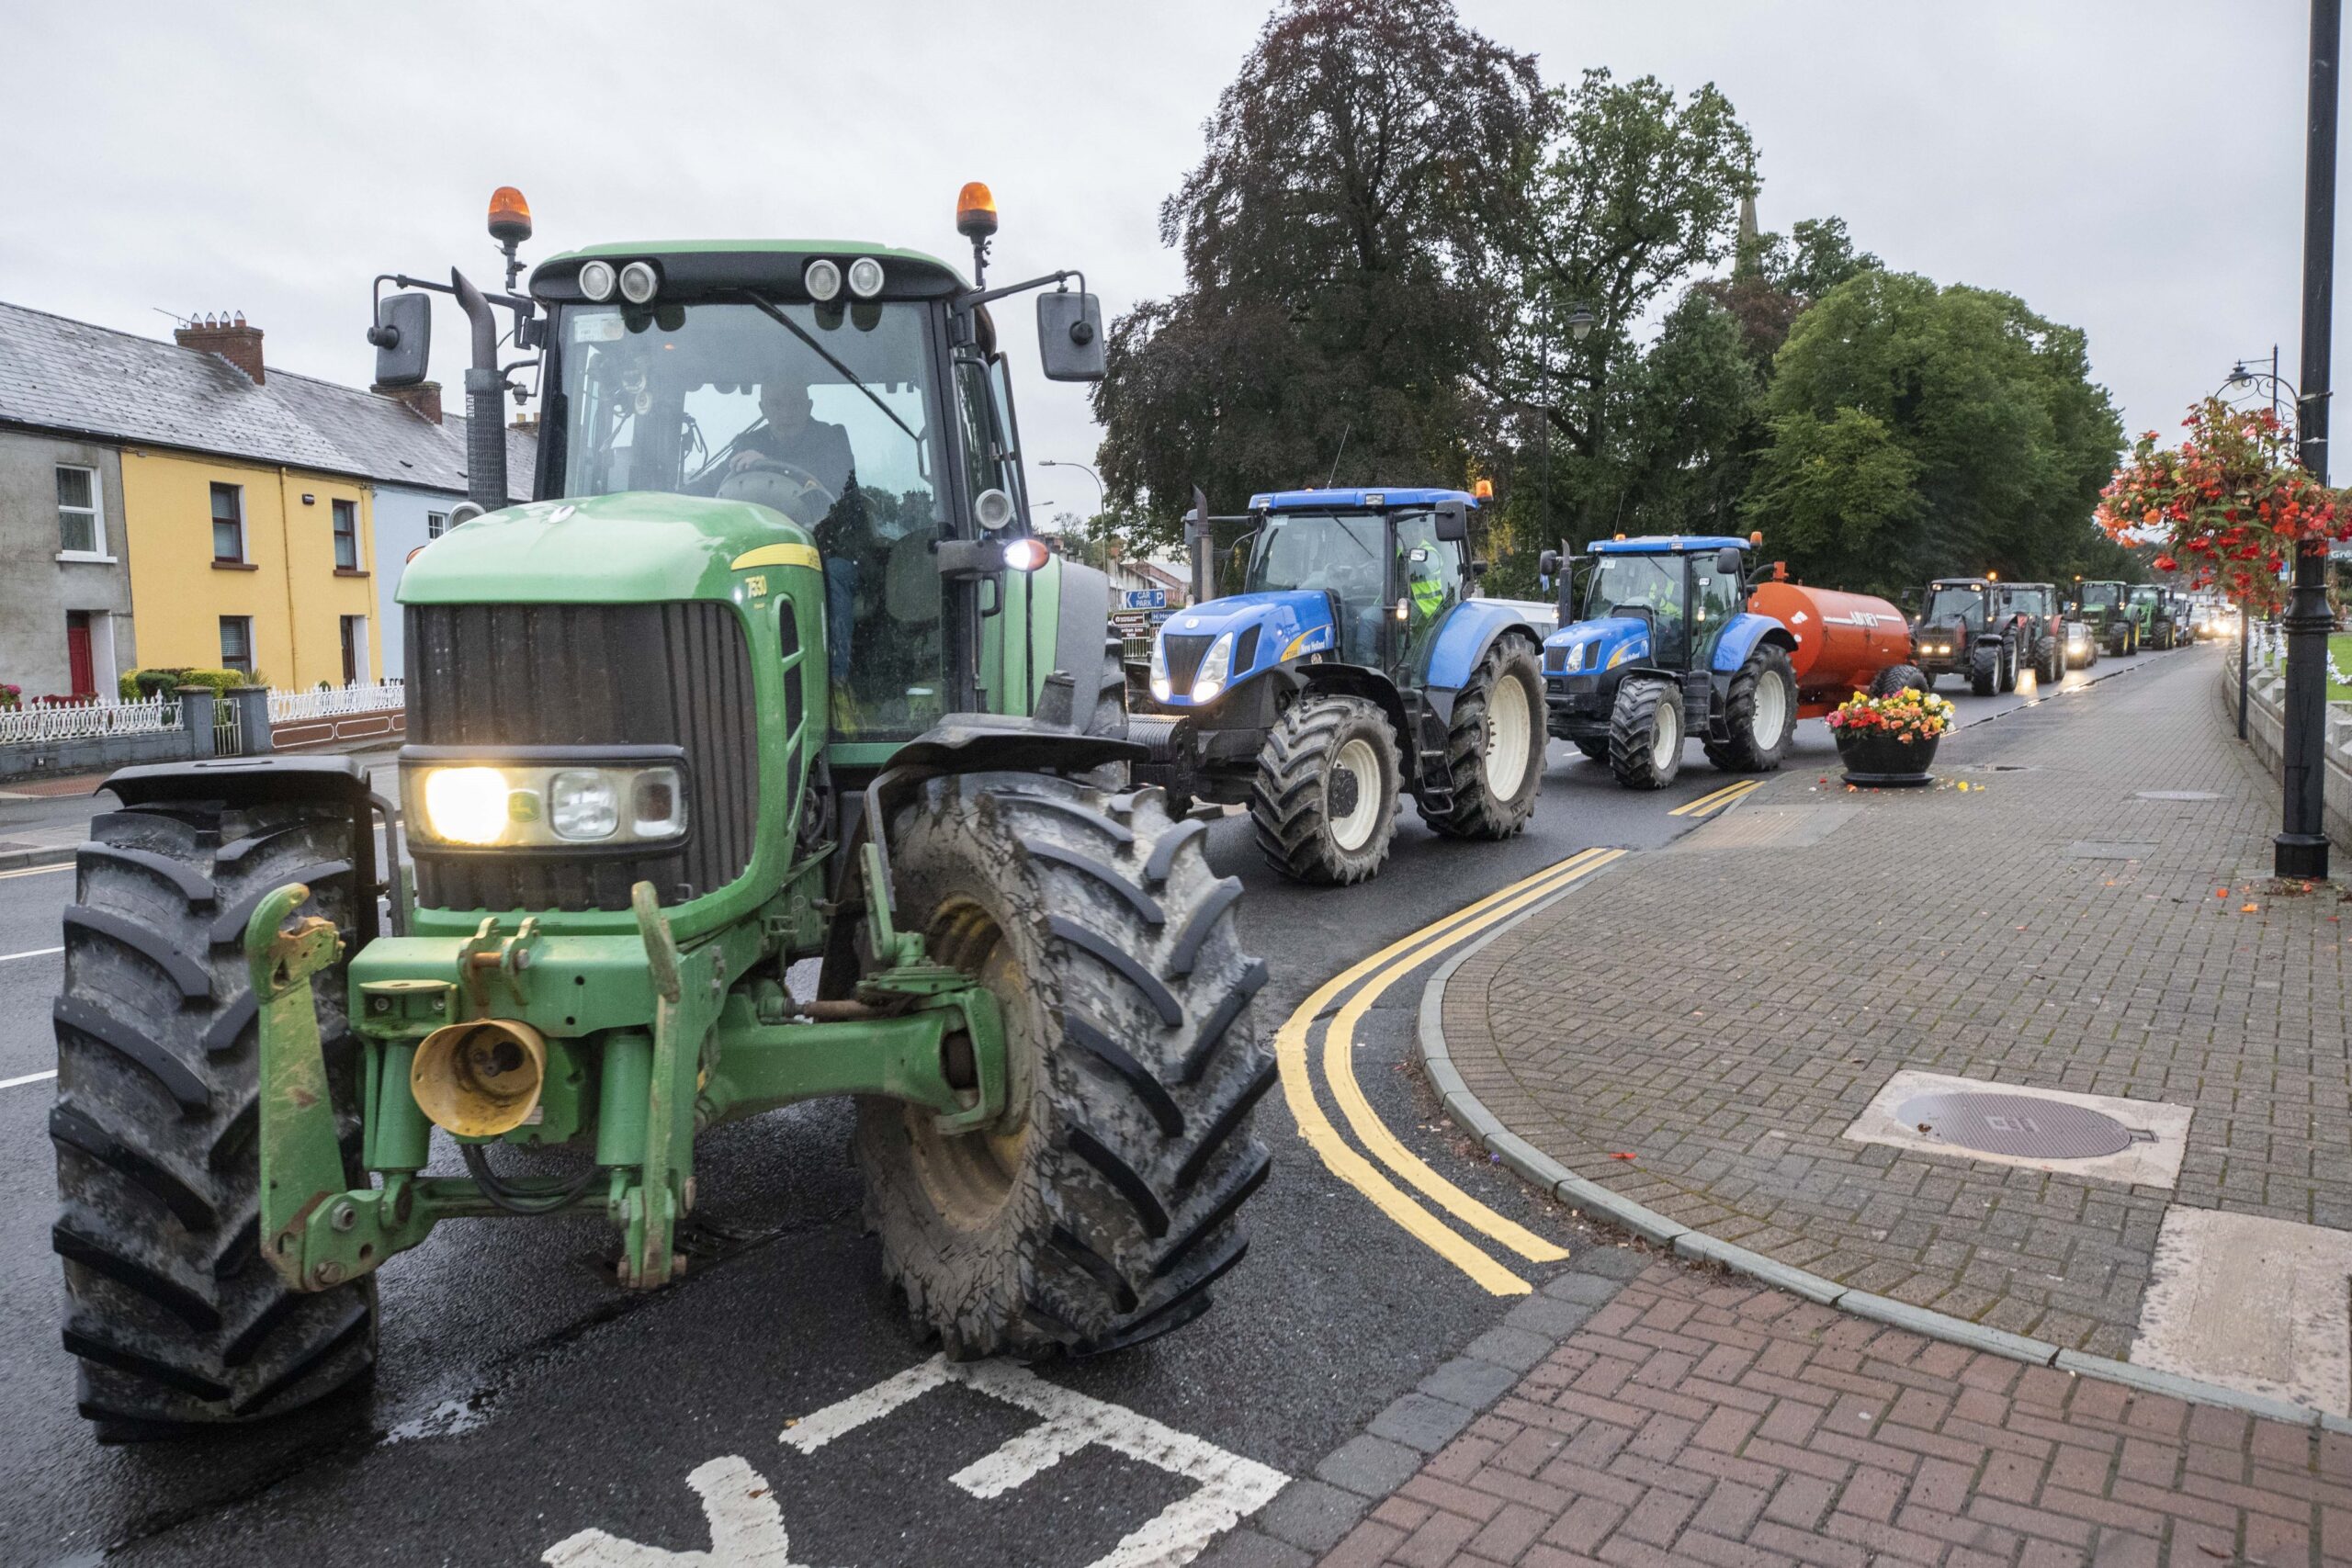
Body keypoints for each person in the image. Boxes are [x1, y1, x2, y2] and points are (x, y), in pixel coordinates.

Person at [729, 374, 854, 498]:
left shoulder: (832, 438)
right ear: (763, 409)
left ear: (809, 407)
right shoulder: (748, 444)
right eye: (776, 404)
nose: (786, 413)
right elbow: (712, 484)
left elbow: (840, 483)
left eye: (796, 404)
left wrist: (767, 463)